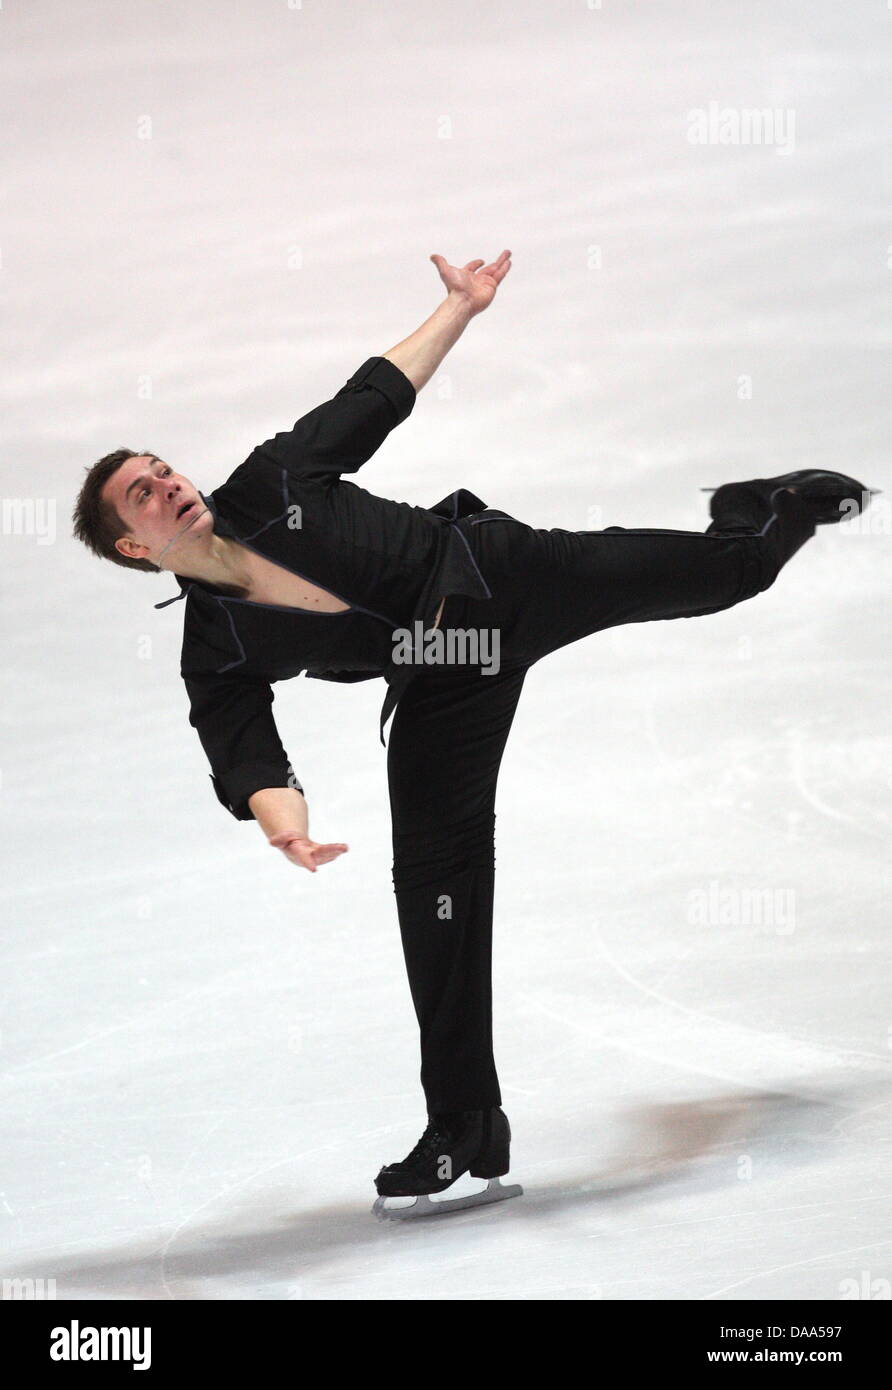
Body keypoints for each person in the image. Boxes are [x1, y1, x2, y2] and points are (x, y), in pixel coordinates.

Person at [72, 249, 873, 1217]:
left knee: (733, 577)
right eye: (143, 495)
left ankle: (767, 510)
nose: (168, 486)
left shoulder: (274, 476)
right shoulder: (218, 643)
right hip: (442, 678)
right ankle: (462, 1128)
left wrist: (456, 306)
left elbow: (377, 391)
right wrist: (286, 823)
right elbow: (245, 748)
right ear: (132, 547)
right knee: (435, 892)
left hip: (502, 576)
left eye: (162, 470)